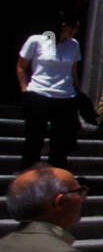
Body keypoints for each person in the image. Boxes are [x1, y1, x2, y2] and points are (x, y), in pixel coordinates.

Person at [16, 11, 84, 171]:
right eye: (74, 27)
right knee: (34, 139)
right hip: (39, 95)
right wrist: (25, 90)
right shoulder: (36, 41)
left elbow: (73, 72)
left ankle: (57, 177)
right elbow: (21, 67)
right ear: (64, 26)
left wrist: (78, 93)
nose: (76, 32)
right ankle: (28, 174)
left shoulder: (74, 44)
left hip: (65, 97)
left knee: (60, 144)